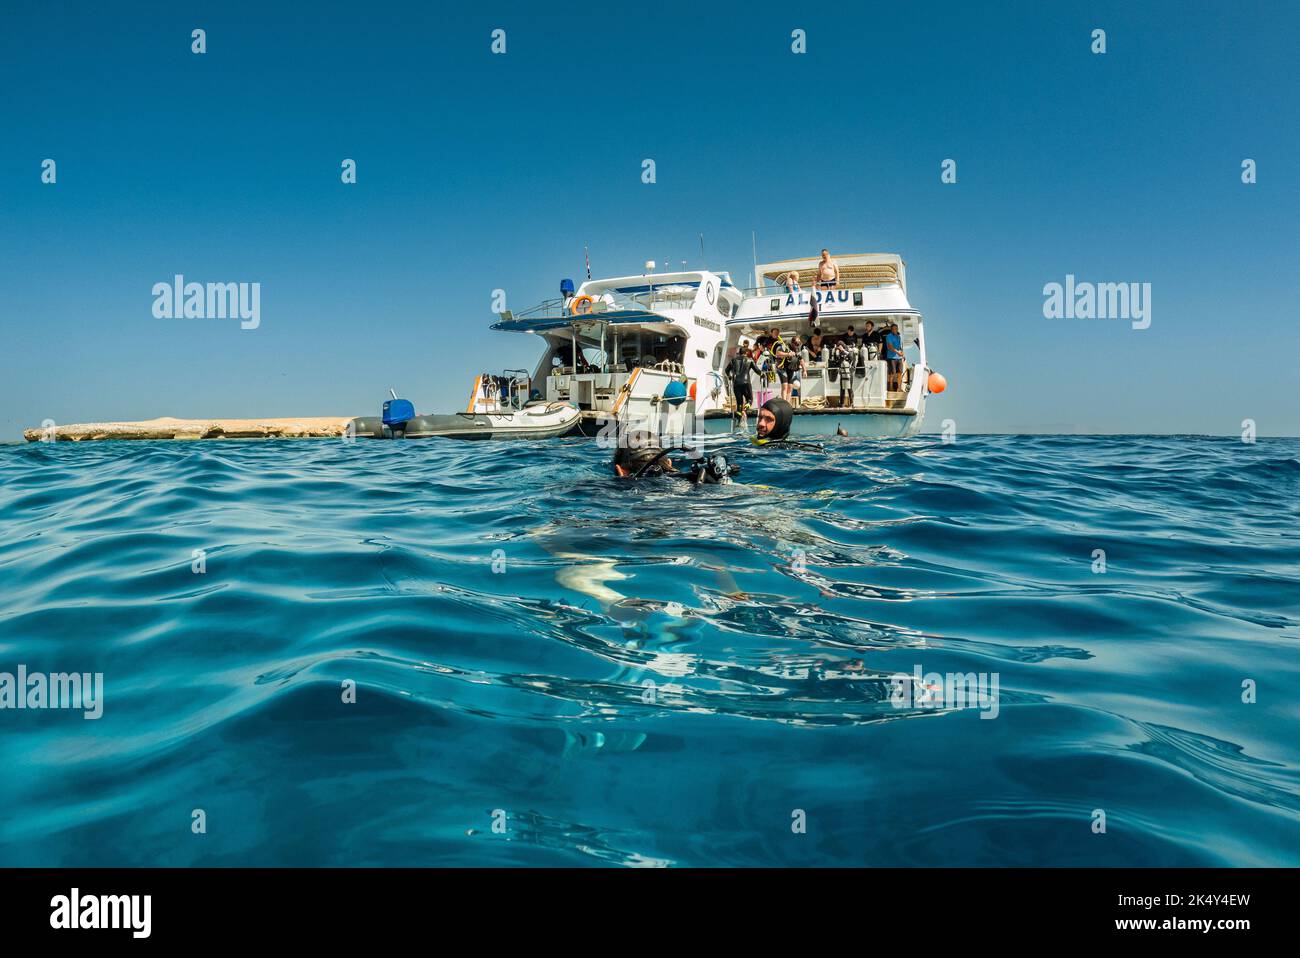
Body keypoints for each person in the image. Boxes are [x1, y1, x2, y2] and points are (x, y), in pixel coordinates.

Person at [727, 339, 760, 414]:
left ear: (739, 353)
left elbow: (726, 370)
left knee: (739, 403)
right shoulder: (750, 360)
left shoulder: (733, 360)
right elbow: (757, 371)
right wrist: (763, 375)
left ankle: (739, 420)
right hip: (746, 383)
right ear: (746, 353)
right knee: (750, 399)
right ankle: (747, 406)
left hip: (736, 383)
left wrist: (729, 376)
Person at [833, 337, 855, 407]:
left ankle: (851, 403)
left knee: (849, 388)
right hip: (842, 372)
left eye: (839, 346)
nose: (839, 348)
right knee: (842, 388)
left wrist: (843, 350)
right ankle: (842, 403)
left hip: (849, 372)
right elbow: (837, 362)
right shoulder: (839, 352)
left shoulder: (849, 351)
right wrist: (835, 353)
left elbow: (851, 357)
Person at [883, 322, 905, 393]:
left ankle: (899, 388)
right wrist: (898, 352)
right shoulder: (888, 336)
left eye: (896, 329)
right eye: (893, 329)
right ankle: (891, 387)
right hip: (891, 357)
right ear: (891, 330)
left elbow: (900, 347)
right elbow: (890, 346)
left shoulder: (899, 337)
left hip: (899, 358)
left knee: (899, 373)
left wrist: (903, 355)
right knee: (892, 373)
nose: (895, 330)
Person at [788, 334, 807, 406]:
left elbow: (801, 360)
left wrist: (804, 370)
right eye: (796, 344)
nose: (797, 345)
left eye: (799, 344)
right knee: (790, 387)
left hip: (797, 370)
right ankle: (789, 403)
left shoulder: (798, 350)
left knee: (798, 386)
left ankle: (798, 402)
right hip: (790, 370)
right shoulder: (788, 349)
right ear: (792, 343)